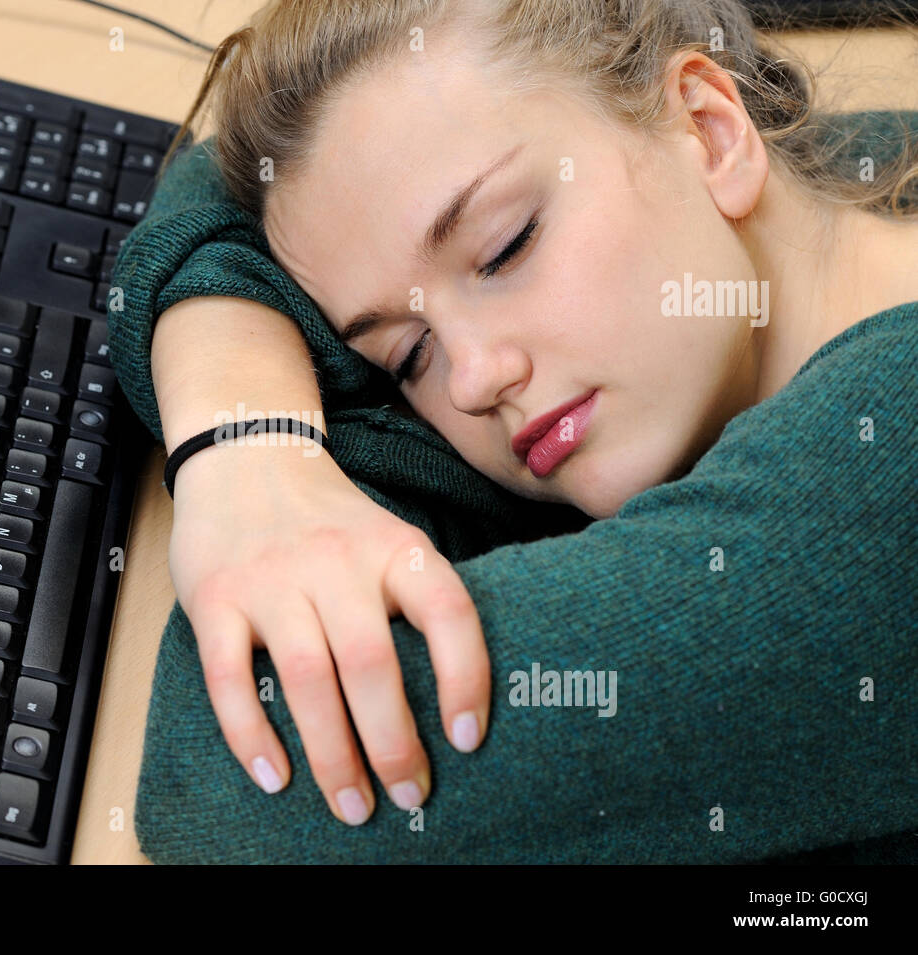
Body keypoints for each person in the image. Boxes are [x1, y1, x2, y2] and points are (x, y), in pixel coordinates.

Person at [107, 0, 918, 862]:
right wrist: (254, 452)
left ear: (712, 130)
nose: (473, 377)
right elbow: (224, 174)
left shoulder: (879, 481)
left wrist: (245, 446)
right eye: (408, 355)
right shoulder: (846, 183)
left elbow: (236, 768)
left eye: (504, 248)